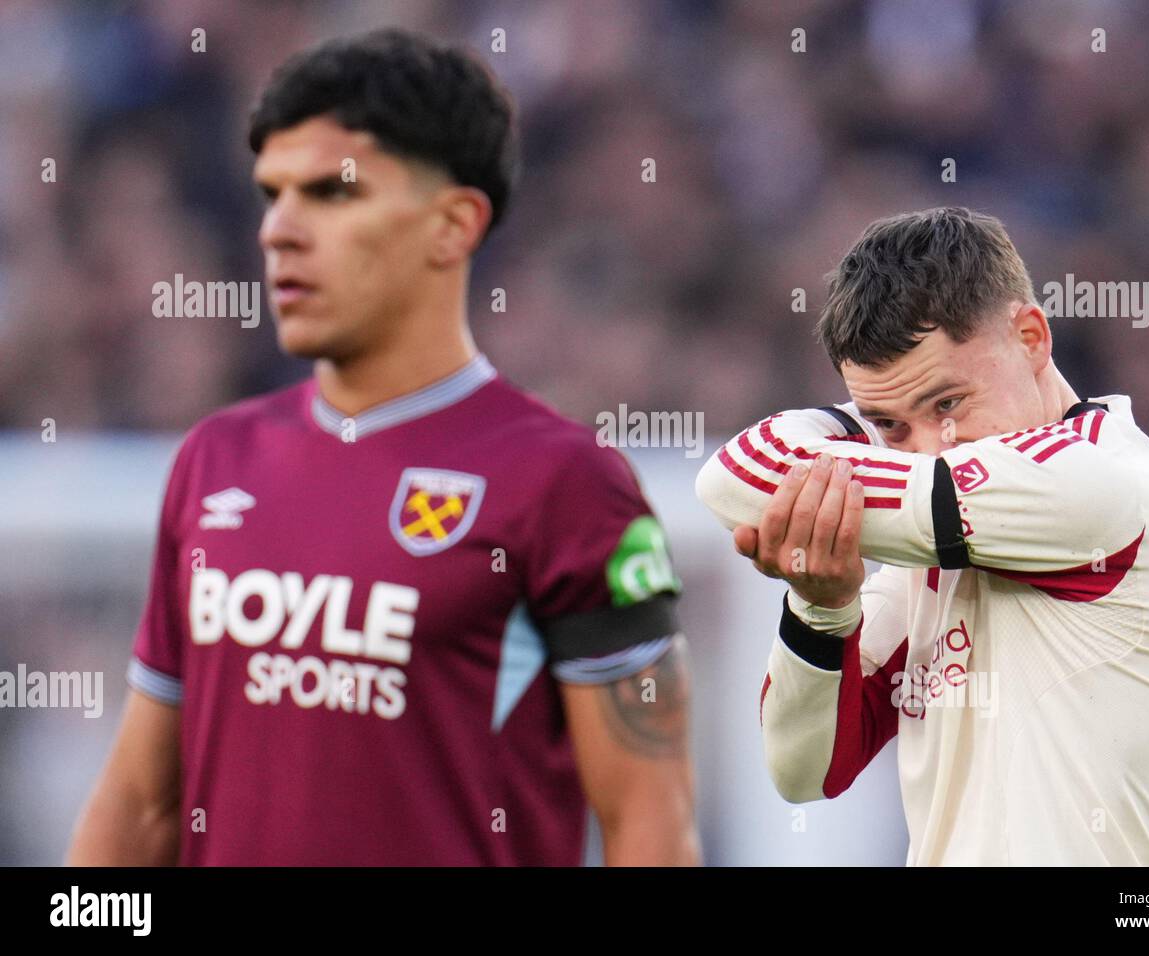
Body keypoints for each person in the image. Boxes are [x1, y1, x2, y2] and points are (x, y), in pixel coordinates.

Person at [68, 29, 698, 866]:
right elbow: (143, 804)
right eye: (273, 193)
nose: (280, 231)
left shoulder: (566, 485)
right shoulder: (217, 459)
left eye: (332, 192)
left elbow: (650, 826)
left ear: (452, 226)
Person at [695, 206, 1149, 865]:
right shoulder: (934, 554)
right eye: (889, 425)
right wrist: (823, 606)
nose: (925, 450)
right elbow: (804, 772)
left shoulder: (1102, 484)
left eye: (947, 404)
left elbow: (729, 476)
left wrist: (859, 433)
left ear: (1031, 337)